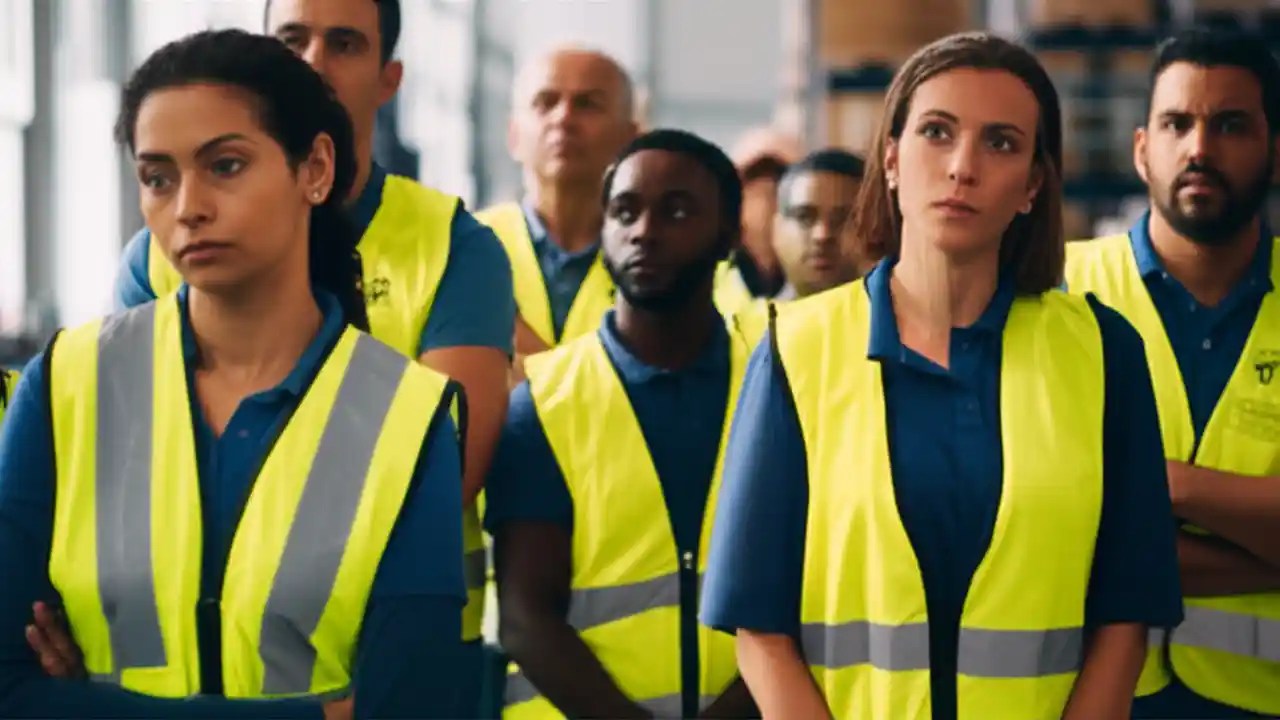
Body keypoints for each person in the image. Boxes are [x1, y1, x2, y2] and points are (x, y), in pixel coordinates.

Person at [699, 32, 1185, 720]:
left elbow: (1125, 618)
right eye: (937, 132)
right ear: (892, 159)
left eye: (1002, 144)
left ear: (1033, 186)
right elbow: (759, 628)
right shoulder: (795, 350)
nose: (963, 166)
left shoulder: (1104, 353)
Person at [0, 29, 468, 719]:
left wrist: (91, 704)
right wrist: (316, 716)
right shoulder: (64, 385)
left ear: (314, 169)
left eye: (224, 166)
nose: (187, 206)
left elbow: (407, 707)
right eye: (157, 177)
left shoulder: (409, 416)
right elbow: (9, 691)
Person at [109, 0, 510, 703]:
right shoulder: (161, 254)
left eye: (344, 43)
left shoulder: (454, 246)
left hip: (394, 643)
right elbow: (136, 471)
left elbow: (445, 472)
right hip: (187, 657)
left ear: (389, 78)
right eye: (291, 38)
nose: (313, 61)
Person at [485, 129, 761, 719]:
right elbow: (525, 618)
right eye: (624, 211)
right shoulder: (545, 401)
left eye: (678, 211)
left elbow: (809, 591)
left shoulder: (775, 389)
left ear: (729, 237)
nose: (644, 231)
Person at [1065, 28, 1280, 720]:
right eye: (1176, 123)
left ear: (1276, 152)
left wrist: (1166, 486)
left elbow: (1108, 532)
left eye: (1231, 125)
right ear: (1141, 149)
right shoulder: (1059, 295)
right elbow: (1054, 530)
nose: (1200, 148)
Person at [476, 47, 638, 366]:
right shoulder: (461, 246)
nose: (563, 118)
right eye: (545, 102)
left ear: (629, 138)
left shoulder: (661, 257)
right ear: (513, 134)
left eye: (588, 104)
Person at [733, 149, 866, 340]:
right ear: (776, 228)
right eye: (804, 217)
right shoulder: (739, 337)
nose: (822, 235)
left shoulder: (898, 335)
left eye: (843, 219)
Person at [713, 127, 804, 316]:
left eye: (779, 184)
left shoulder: (825, 280)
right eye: (754, 187)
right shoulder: (706, 282)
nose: (766, 204)